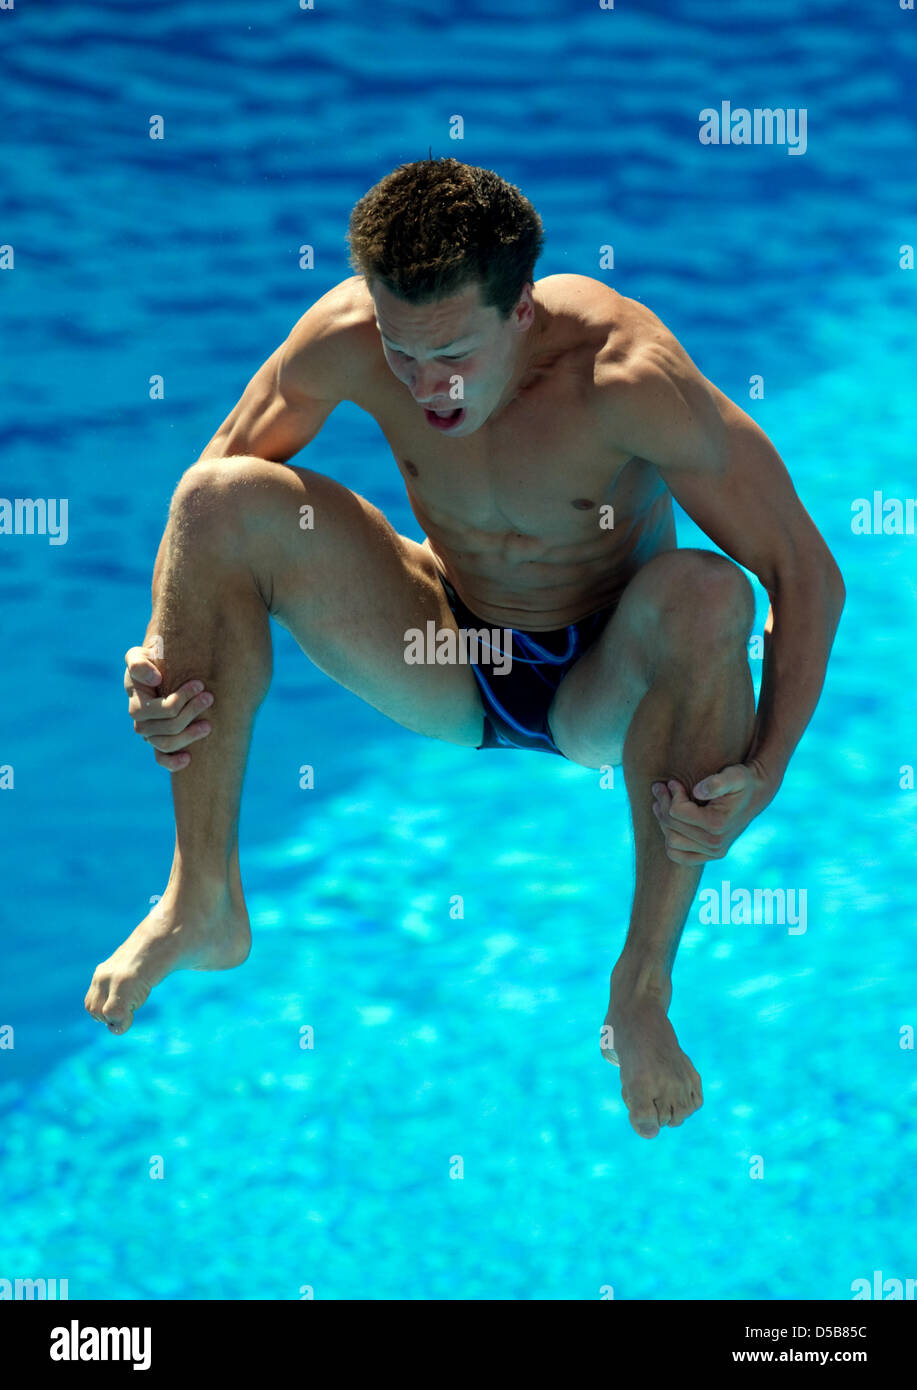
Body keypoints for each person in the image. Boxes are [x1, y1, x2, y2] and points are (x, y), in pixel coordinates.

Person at [84, 157, 845, 1139]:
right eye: (404, 356)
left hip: (604, 678)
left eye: (453, 355)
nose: (428, 387)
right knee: (218, 499)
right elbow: (210, 495)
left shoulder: (626, 376)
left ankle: (641, 986)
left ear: (519, 307)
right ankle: (204, 897)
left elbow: (805, 574)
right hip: (439, 641)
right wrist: (160, 652)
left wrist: (768, 772)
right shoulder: (347, 336)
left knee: (708, 592)